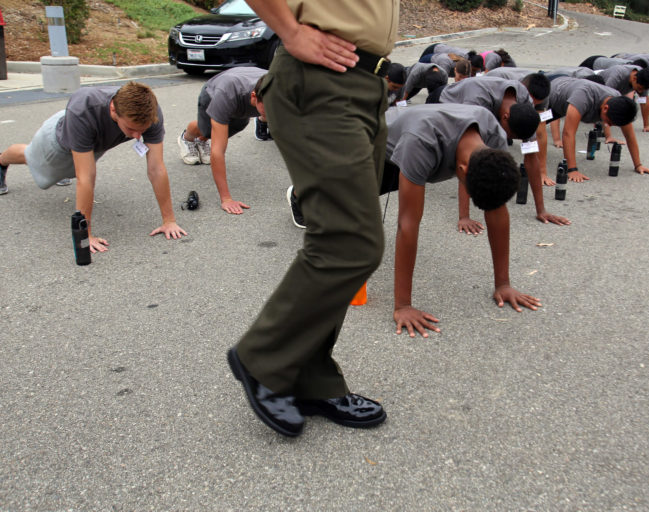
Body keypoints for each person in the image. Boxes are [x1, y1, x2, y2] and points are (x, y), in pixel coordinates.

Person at [227, 0, 397, 438]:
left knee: (346, 243)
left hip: (365, 83)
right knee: (350, 243)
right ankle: (262, 358)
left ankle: (310, 378)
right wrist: (289, 29)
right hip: (320, 79)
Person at [383, 104, 542, 338]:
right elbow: (408, 224)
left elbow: (497, 212)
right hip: (375, 141)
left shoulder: (492, 134)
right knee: (349, 204)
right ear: (462, 171)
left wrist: (503, 284)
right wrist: (403, 306)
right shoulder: (420, 143)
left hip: (420, 134)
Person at [0, 82, 187, 252]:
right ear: (113, 109)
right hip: (57, 143)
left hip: (93, 143)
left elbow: (156, 168)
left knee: (73, 170)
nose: (138, 137)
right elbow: (86, 177)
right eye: (131, 129)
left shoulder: (149, 113)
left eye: (142, 131)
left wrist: (169, 220)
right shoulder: (85, 108)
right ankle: (2, 161)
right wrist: (85, 235)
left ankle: (63, 171)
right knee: (32, 159)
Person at [436, 75, 570, 229]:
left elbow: (531, 158)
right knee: (463, 151)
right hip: (447, 100)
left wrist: (542, 210)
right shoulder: (477, 102)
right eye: (511, 136)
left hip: (488, 105)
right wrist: (464, 217)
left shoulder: (524, 104)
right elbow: (467, 159)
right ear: (505, 117)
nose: (506, 139)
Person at [177, 67, 269, 214]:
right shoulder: (226, 94)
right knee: (207, 131)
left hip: (242, 96)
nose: (274, 114)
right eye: (268, 110)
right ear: (254, 97)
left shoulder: (283, 89)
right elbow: (218, 151)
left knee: (240, 123)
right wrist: (226, 199)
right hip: (214, 92)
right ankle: (187, 138)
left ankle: (203, 139)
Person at [541, 76, 649, 184]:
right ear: (605, 108)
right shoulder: (583, 98)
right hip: (553, 96)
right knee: (530, 129)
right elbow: (568, 133)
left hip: (568, 98)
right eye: (609, 122)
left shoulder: (620, 103)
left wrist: (638, 165)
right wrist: (572, 169)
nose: (609, 125)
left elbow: (630, 136)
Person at [598, 65, 649, 135]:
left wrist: (646, 126)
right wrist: (608, 135)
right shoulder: (617, 75)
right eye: (639, 88)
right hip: (592, 75)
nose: (641, 91)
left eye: (643, 90)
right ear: (634, 79)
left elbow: (643, 102)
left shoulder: (643, 80)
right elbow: (605, 101)